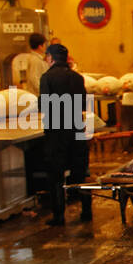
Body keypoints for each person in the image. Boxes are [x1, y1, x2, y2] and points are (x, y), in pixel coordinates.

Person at [39, 42, 92, 225]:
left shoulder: (47, 77)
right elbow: (84, 103)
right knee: (80, 171)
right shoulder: (78, 78)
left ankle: (59, 216)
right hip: (77, 128)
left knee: (56, 174)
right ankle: (87, 212)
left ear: (51, 58)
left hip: (56, 130)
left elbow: (44, 105)